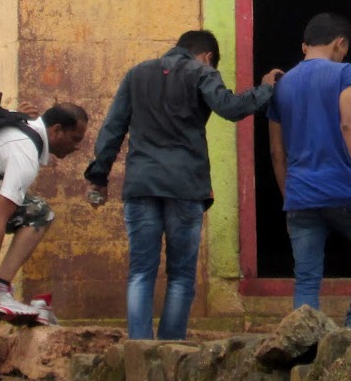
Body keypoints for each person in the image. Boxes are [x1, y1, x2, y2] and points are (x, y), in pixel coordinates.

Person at [84, 29, 278, 340]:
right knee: (181, 276)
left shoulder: (136, 75)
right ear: (208, 57)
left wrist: (98, 177)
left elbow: (112, 129)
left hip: (142, 185)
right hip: (186, 186)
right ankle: (171, 347)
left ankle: (139, 348)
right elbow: (230, 108)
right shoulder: (202, 73)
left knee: (141, 272)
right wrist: (265, 88)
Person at [267, 12, 351, 329]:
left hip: (300, 196)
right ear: (340, 44)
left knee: (307, 277)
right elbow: (349, 124)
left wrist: (289, 197)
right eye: (343, 50)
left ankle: (303, 344)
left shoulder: (280, 86)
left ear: (305, 46)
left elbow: (277, 153)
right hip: (345, 191)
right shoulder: (345, 72)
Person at [0, 101, 90, 318]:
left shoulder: (21, 123)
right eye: (75, 139)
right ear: (56, 130)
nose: (76, 147)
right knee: (40, 213)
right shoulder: (25, 152)